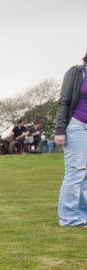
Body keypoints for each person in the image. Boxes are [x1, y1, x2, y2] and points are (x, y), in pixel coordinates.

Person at [55, 51, 87, 227]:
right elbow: (64, 101)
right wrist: (60, 129)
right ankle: (69, 217)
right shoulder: (76, 72)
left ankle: (82, 214)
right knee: (76, 171)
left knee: (86, 174)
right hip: (77, 126)